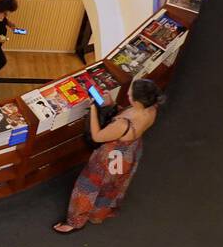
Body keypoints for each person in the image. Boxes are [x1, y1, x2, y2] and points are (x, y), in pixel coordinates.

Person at [53, 78, 161, 234]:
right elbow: (130, 115)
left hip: (112, 155)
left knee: (87, 186)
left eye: (130, 93)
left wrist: (94, 109)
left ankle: (75, 222)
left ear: (136, 101)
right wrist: (113, 105)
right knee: (112, 185)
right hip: (130, 151)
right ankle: (98, 213)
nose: (128, 92)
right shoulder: (151, 109)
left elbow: (97, 136)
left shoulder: (123, 124)